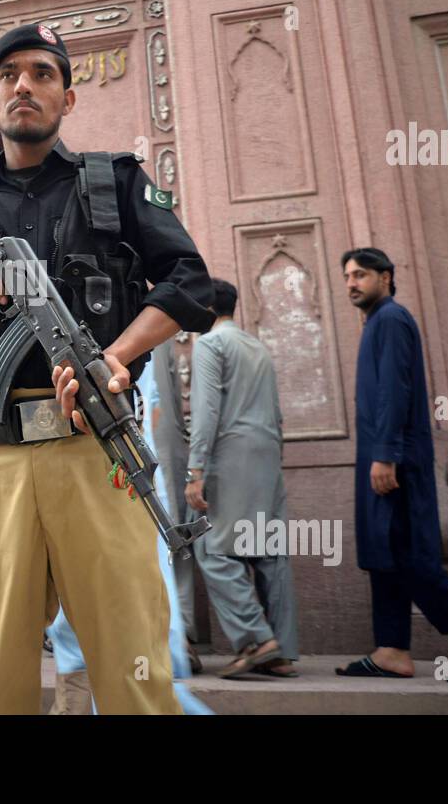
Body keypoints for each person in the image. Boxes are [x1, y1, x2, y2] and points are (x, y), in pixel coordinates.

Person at [0, 22, 215, 713]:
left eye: (44, 74)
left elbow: (193, 285)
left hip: (93, 451)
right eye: (9, 74)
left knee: (136, 679)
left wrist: (117, 354)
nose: (25, 85)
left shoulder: (119, 183)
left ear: (67, 99)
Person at [335, 247, 448, 683]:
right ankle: (392, 649)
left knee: (405, 554)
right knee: (383, 554)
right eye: (347, 277)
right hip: (382, 454)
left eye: (361, 275)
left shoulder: (392, 319)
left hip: (395, 459)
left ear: (386, 277)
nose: (352, 284)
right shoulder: (378, 322)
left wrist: (385, 454)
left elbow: (394, 391)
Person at [48, 364, 212, 715]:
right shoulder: (138, 352)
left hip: (107, 477)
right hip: (131, 477)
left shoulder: (110, 347)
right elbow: (150, 412)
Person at [187, 278, 299, 678]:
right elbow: (278, 412)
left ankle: (254, 638)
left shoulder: (210, 346)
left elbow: (205, 412)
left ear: (204, 309)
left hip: (230, 453)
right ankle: (281, 652)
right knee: (268, 551)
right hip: (268, 453)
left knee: (213, 551)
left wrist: (195, 469)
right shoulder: (258, 347)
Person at [148, 335, 200, 672]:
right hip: (162, 449)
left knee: (165, 543)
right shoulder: (157, 331)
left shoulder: (153, 331)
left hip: (148, 449)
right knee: (170, 543)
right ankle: (179, 637)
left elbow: (155, 402)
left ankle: (175, 638)